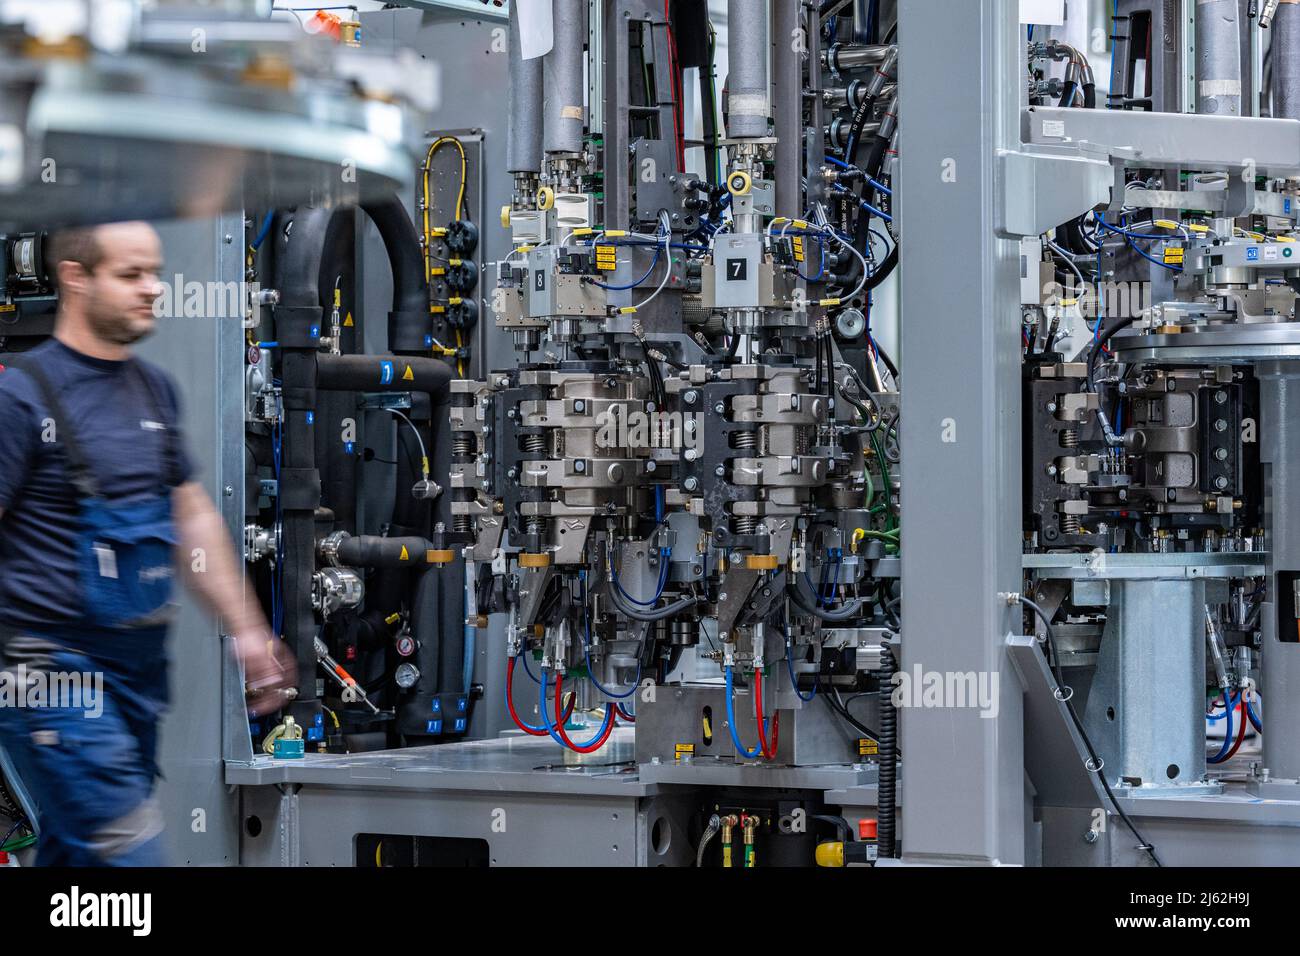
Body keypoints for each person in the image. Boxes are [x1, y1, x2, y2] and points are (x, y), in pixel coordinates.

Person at [0, 221, 294, 866]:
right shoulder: (20, 396)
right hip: (52, 676)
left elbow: (191, 518)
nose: (154, 290)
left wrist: (246, 632)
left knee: (77, 857)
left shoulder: (153, 390)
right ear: (76, 278)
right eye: (130, 275)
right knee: (127, 853)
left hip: (134, 674)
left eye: (155, 273)